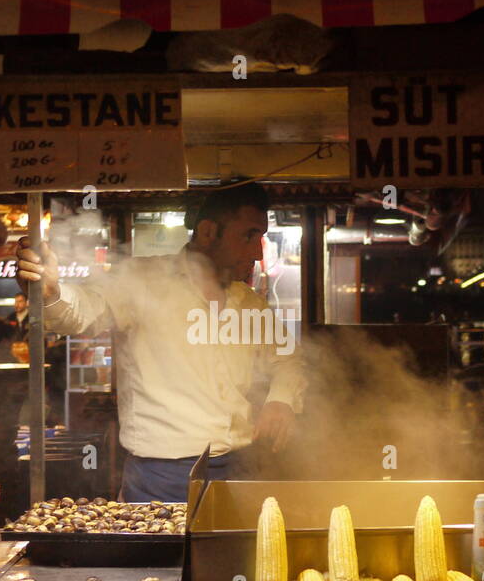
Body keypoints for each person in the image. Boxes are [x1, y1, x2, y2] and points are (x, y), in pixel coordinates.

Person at [18, 181, 304, 502]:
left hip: (238, 464)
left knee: (232, 554)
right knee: (164, 554)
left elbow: (288, 360)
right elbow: (82, 312)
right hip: (162, 474)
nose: (256, 251)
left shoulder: (250, 303)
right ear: (208, 232)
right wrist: (52, 293)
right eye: (249, 235)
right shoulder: (143, 279)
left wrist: (281, 399)